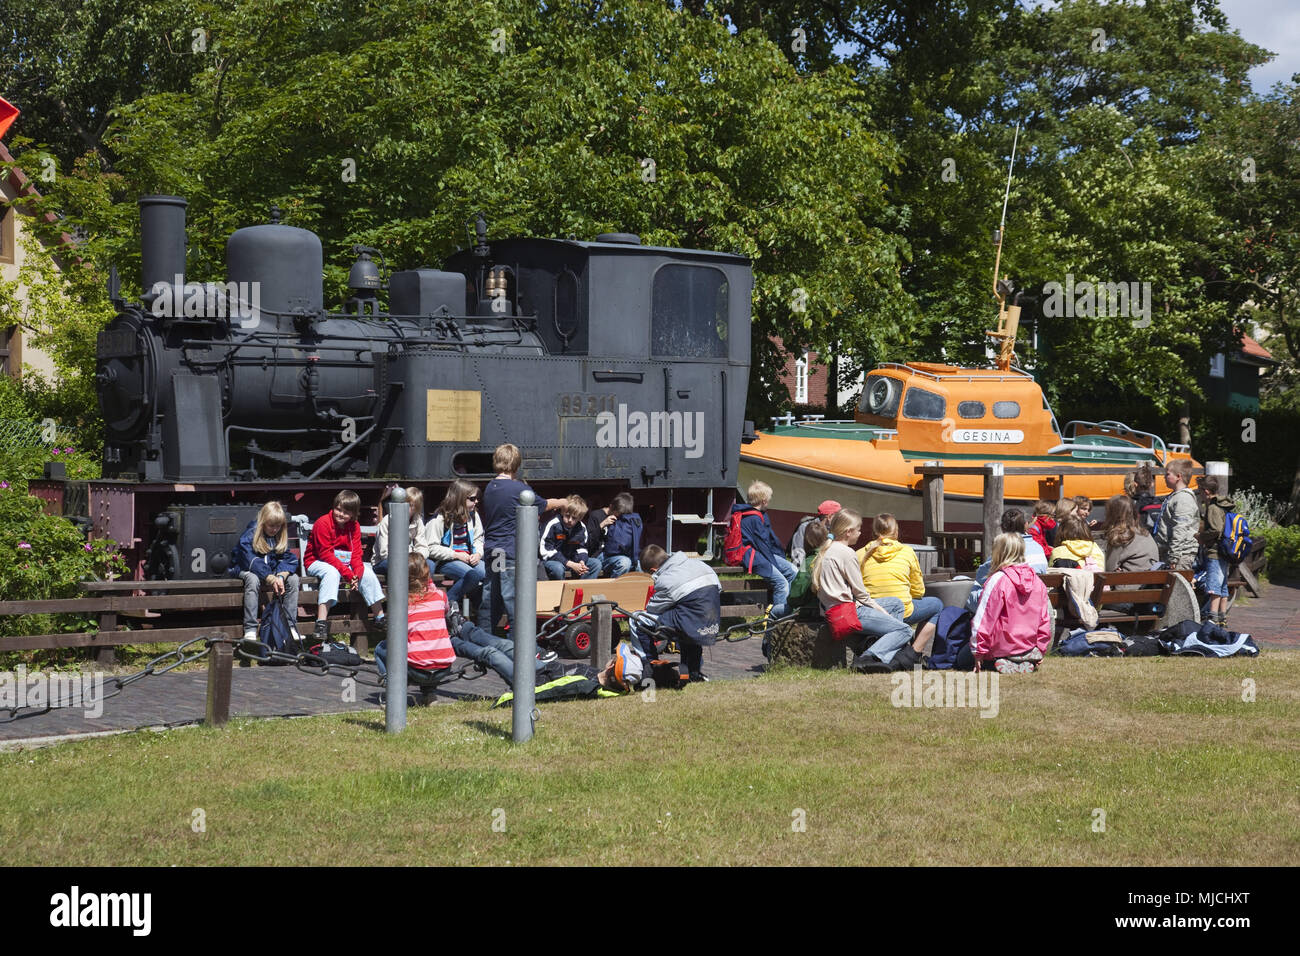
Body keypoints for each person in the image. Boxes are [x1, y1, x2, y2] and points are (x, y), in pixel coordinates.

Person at [374, 554, 556, 689]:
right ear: (427, 576)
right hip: (449, 649)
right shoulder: (440, 596)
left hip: (421, 666)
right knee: (489, 646)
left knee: (383, 648)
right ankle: (534, 674)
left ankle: (391, 687)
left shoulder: (401, 603)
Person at [809, 508, 914, 672]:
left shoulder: (827, 550)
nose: (860, 533)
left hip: (833, 610)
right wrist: (882, 613)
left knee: (896, 604)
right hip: (848, 612)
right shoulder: (847, 553)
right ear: (848, 532)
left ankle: (881, 648)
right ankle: (869, 657)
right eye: (858, 530)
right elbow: (862, 596)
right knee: (905, 630)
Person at [478, 444, 567, 633]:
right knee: (513, 600)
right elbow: (544, 504)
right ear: (516, 464)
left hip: (494, 551)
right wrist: (563, 502)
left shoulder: (490, 487)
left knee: (491, 597)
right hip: (510, 551)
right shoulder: (518, 488)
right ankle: (517, 645)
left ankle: (484, 638)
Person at [304, 490, 386, 643]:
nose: (341, 514)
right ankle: (321, 622)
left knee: (368, 573)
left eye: (346, 512)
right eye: (338, 509)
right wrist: (349, 575)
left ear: (353, 514)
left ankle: (379, 616)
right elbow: (326, 554)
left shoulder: (354, 526)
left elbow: (356, 554)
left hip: (344, 562)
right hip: (317, 560)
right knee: (332, 573)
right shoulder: (323, 523)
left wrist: (357, 575)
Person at [857, 513, 943, 655]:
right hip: (903, 610)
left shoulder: (860, 554)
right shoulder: (907, 552)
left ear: (873, 532)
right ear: (896, 532)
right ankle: (913, 653)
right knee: (937, 605)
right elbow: (918, 590)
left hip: (872, 612)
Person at [633, 545, 722, 682]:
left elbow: (653, 609)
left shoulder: (666, 579)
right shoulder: (700, 565)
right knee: (684, 616)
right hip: (710, 620)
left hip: (689, 621)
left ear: (653, 570)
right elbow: (718, 589)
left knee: (637, 620)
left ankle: (650, 665)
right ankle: (693, 671)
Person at [969, 533, 1052, 673]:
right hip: (1029, 646)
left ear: (998, 552)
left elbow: (984, 619)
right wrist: (1040, 648)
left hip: (1001, 647)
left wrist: (978, 652)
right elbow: (1044, 619)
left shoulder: (998, 580)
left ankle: (1002, 660)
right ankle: (1023, 659)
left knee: (960, 658)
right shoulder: (1037, 581)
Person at [229, 501, 304, 644]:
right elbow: (250, 560)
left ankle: (290, 625)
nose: (275, 529)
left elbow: (289, 559)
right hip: (243, 569)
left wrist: (281, 576)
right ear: (263, 522)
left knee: (293, 579)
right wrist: (270, 577)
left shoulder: (278, 536)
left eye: (278, 526)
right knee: (252, 579)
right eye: (271, 525)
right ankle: (250, 627)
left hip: (269, 572)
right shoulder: (250, 535)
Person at [730, 481, 798, 618]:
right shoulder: (754, 518)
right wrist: (775, 562)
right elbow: (762, 544)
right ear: (764, 500)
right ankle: (778, 617)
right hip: (753, 557)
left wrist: (779, 559)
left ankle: (789, 607)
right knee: (781, 583)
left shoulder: (755, 514)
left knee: (793, 571)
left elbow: (768, 542)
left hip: (761, 554)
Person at [966, 509, 1049, 612]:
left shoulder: (1004, 549)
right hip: (1032, 600)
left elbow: (981, 578)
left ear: (1002, 527)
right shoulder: (1038, 548)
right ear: (1026, 525)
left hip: (1006, 601)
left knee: (963, 587)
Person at [426, 479, 486, 612]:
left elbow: (478, 539)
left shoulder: (474, 516)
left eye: (477, 498)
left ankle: (479, 609)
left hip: (469, 557)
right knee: (473, 576)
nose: (476, 501)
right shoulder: (440, 519)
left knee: (489, 574)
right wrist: (456, 555)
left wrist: (478, 553)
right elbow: (431, 547)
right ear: (460, 499)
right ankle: (446, 605)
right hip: (447, 559)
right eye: (472, 498)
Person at [1197, 475, 1237, 626]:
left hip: (1215, 551)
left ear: (1206, 491)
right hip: (1225, 551)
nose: (1199, 494)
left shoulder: (1213, 507)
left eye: (1200, 491)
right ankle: (1222, 616)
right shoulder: (1224, 505)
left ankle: (1212, 618)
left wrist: (1201, 536)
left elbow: (1216, 529)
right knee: (1222, 584)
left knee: (1213, 585)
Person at [540, 494, 602, 580]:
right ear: (563, 512)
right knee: (557, 569)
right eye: (567, 515)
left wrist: (582, 561)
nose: (570, 520)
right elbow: (546, 550)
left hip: (573, 560)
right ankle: (560, 591)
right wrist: (570, 564)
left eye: (574, 518)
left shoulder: (582, 528)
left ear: (580, 518)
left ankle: (582, 590)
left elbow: (582, 547)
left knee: (595, 564)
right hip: (553, 561)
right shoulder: (553, 524)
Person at [1154, 458, 1199, 571]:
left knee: (1176, 588)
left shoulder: (1183, 499)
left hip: (1180, 555)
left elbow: (1180, 529)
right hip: (1171, 553)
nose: (1164, 477)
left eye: (1167, 474)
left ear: (1178, 476)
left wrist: (1174, 557)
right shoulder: (1174, 496)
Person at [372, 485, 428, 576]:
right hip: (385, 561)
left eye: (410, 505)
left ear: (416, 508)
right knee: (402, 566)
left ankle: (424, 589)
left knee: (430, 565)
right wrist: (408, 560)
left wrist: (418, 558)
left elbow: (422, 545)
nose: (406, 507)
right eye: (404, 503)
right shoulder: (387, 521)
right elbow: (384, 552)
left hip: (410, 558)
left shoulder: (418, 521)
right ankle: (409, 589)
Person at [1099, 494, 1159, 572]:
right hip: (1152, 580)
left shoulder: (1121, 536)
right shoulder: (1145, 533)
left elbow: (1109, 568)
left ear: (1111, 514)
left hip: (1129, 582)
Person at [599, 492, 642, 578]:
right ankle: (614, 589)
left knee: (637, 565)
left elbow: (612, 549)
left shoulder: (622, 521)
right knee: (626, 563)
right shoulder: (635, 520)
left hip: (613, 555)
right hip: (603, 555)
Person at [788, 500, 841, 566]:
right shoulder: (805, 527)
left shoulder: (833, 530)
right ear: (829, 517)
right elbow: (798, 553)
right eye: (837, 517)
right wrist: (802, 573)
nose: (839, 520)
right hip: (807, 569)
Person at [1127, 462, 1162, 532]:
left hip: (1139, 536)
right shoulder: (1158, 502)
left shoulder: (1131, 502)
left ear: (1135, 484)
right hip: (1156, 537)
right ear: (1152, 484)